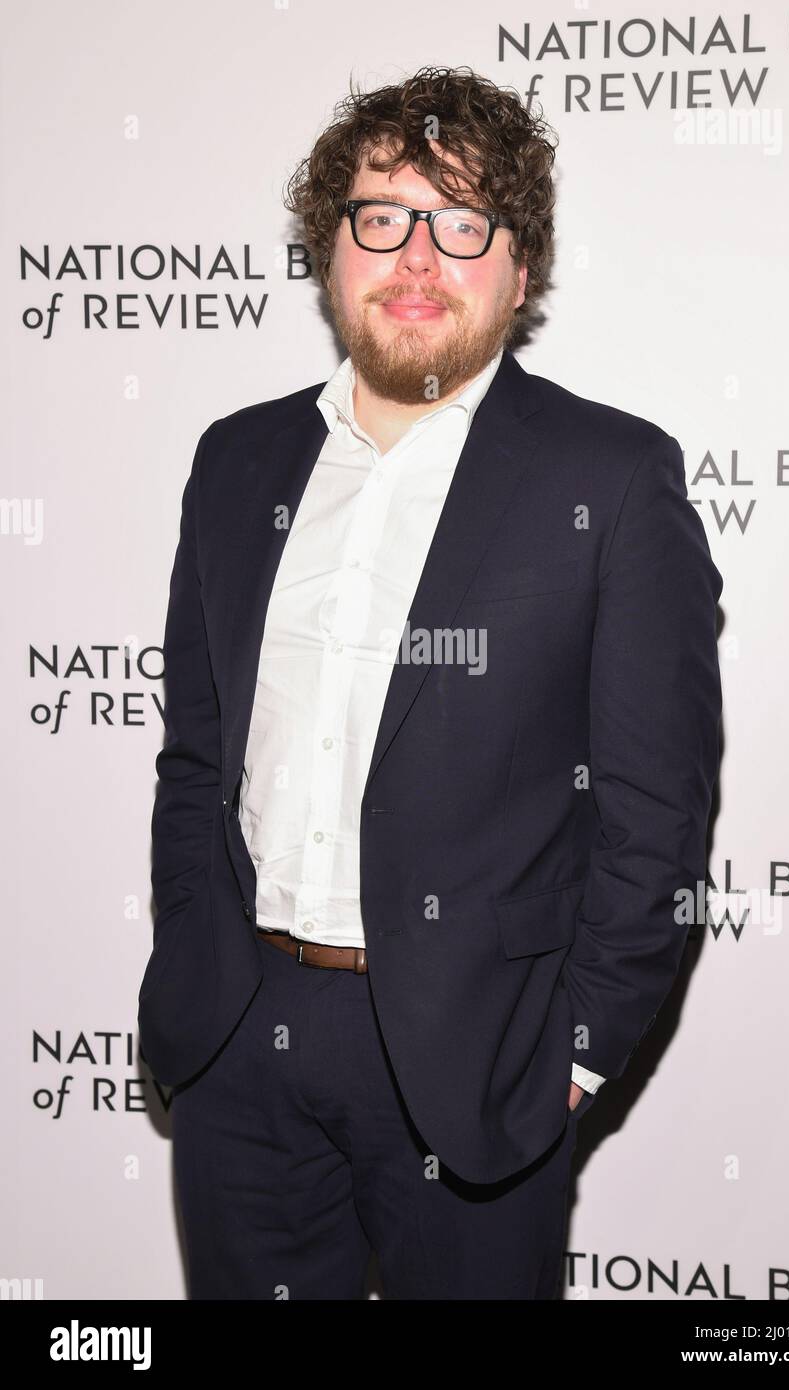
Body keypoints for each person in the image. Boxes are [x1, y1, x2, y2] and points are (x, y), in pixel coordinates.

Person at [138, 65, 723, 1300]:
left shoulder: (610, 479)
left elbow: (654, 814)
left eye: (461, 222)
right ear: (330, 251)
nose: (416, 256)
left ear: (518, 268)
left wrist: (571, 1060)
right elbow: (197, 757)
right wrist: (194, 961)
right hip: (237, 1036)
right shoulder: (237, 462)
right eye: (381, 216)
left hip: (477, 1062)